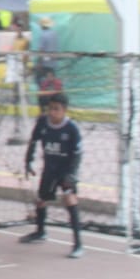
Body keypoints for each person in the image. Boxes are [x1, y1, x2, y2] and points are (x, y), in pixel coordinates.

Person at [21, 93, 85, 258]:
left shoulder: (71, 129)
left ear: (64, 110)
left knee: (69, 199)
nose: (52, 112)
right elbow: (33, 141)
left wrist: (72, 174)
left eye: (56, 109)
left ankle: (78, 244)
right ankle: (40, 232)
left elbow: (78, 154)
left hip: (65, 170)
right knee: (41, 200)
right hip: (50, 168)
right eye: (51, 108)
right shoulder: (42, 123)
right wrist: (28, 161)